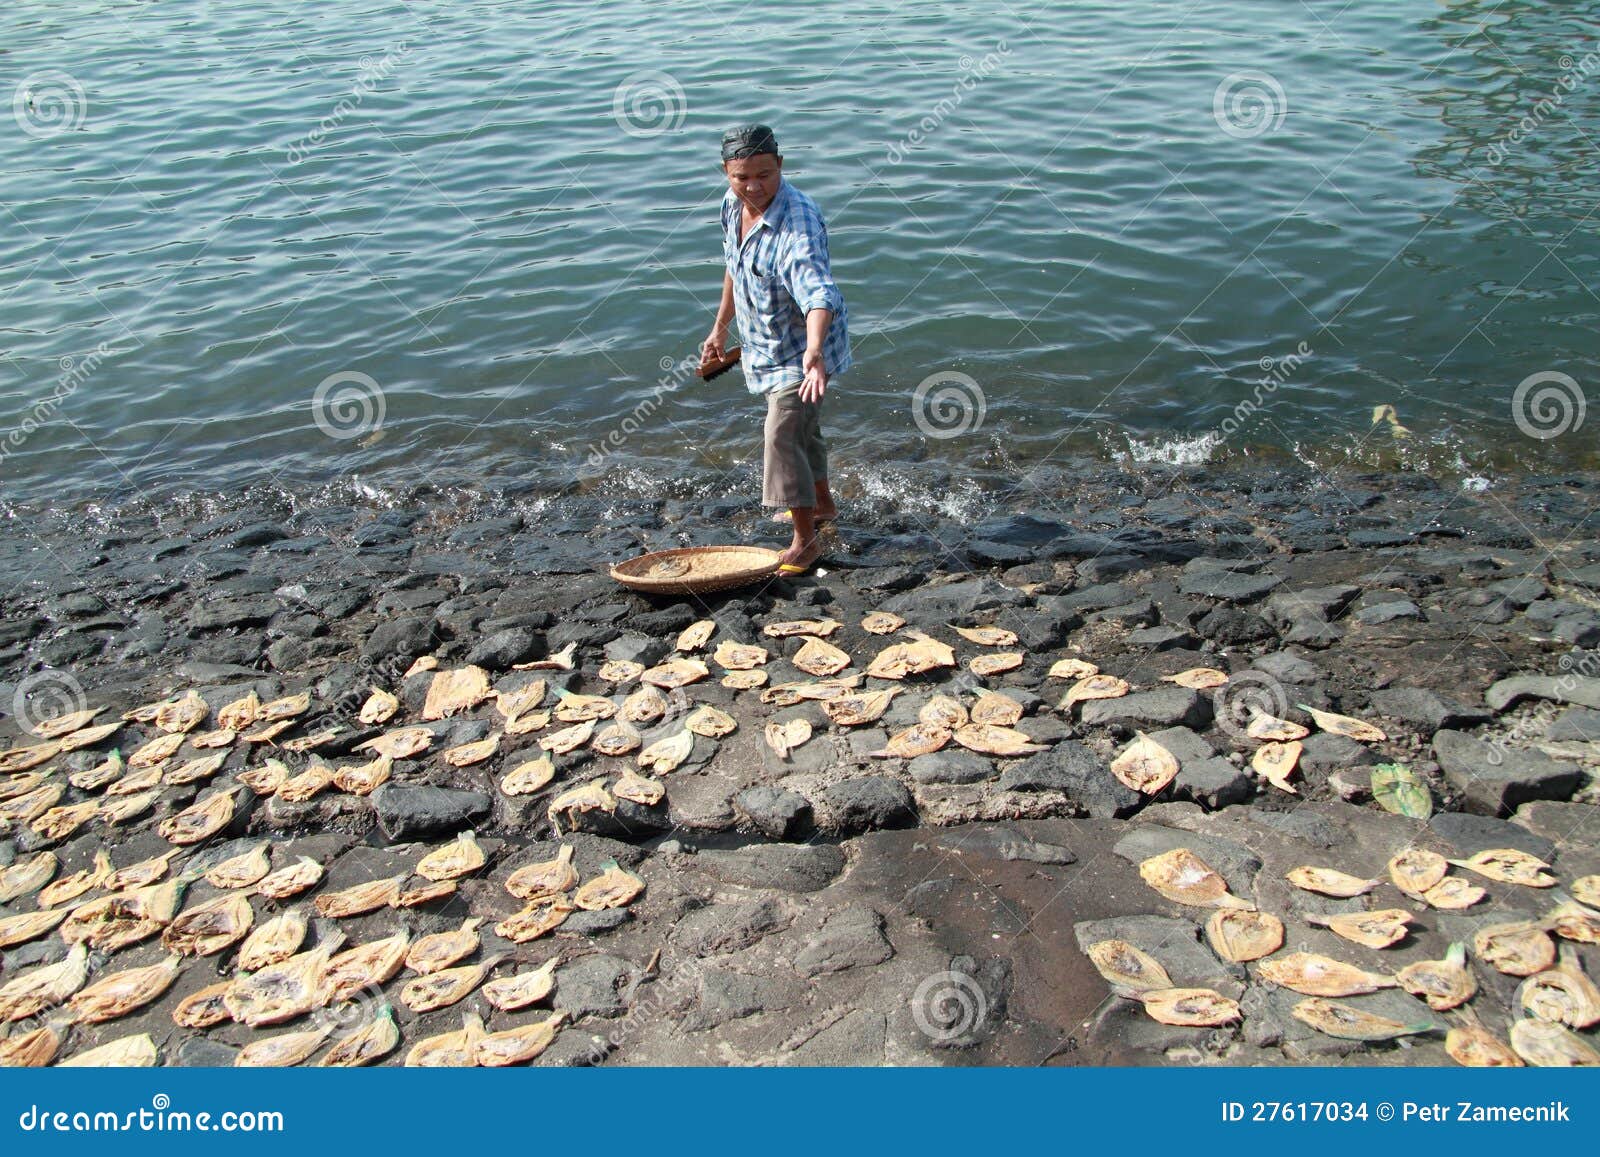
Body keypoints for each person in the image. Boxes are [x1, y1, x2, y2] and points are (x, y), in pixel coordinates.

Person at [701, 123, 851, 576]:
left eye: (764, 174)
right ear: (726, 173)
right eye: (741, 176)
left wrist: (815, 349)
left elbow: (818, 293)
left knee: (781, 434)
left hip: (805, 350)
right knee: (802, 430)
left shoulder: (797, 223)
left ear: (781, 165)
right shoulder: (733, 204)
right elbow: (734, 266)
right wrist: (719, 329)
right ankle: (822, 505)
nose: (754, 186)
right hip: (763, 342)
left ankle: (805, 541)